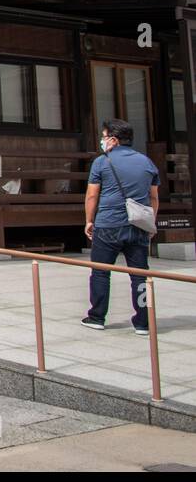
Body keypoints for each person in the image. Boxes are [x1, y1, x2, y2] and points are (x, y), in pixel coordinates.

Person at [83, 119, 159, 335]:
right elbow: (153, 198)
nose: (102, 140)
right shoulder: (147, 162)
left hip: (108, 224)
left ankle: (97, 316)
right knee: (139, 274)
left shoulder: (102, 162)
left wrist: (89, 220)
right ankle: (143, 322)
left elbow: (92, 195)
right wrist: (149, 223)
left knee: (100, 272)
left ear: (113, 140)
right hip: (138, 225)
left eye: (104, 136)